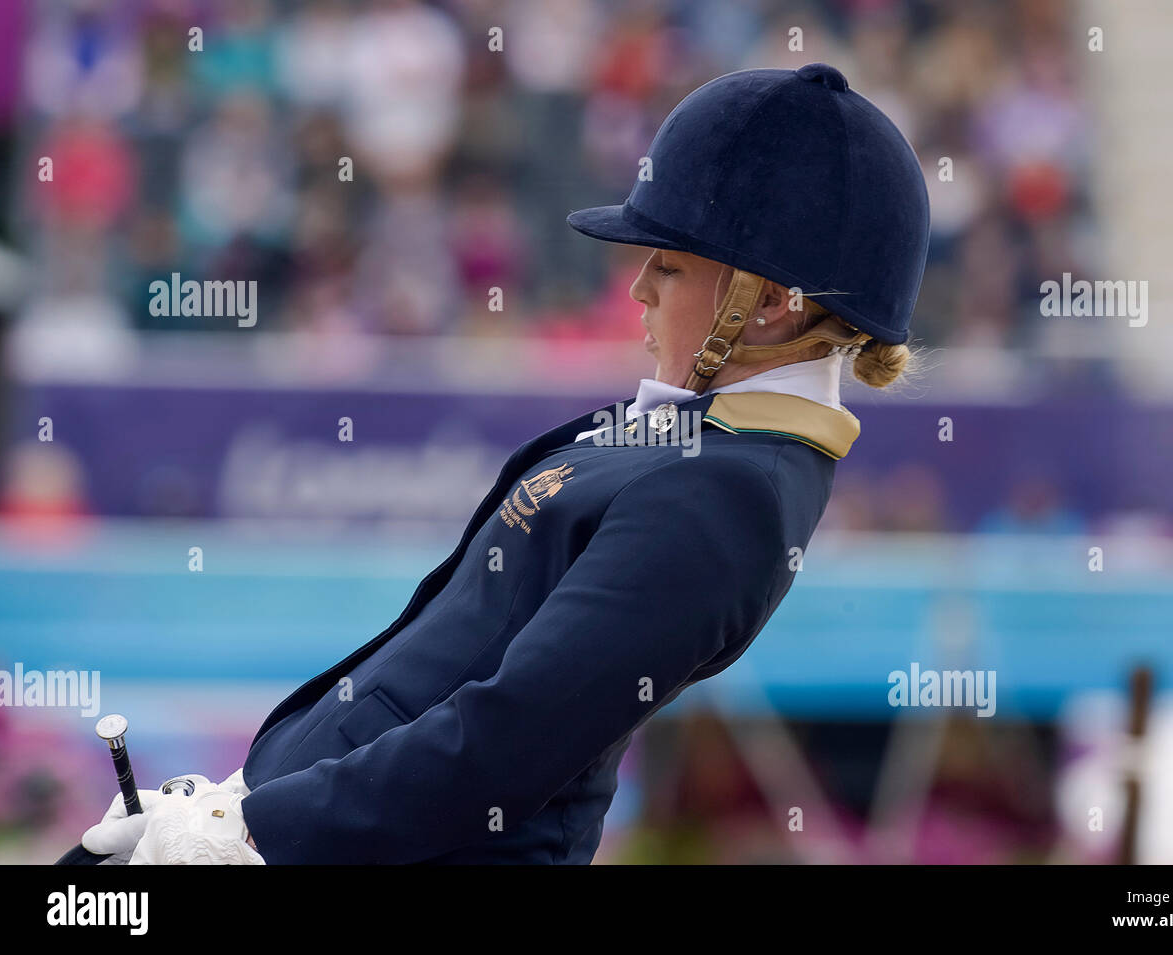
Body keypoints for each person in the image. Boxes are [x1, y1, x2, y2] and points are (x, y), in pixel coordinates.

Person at [81, 62, 929, 865]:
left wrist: (256, 835)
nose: (637, 291)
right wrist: (237, 802)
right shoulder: (698, 438)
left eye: (667, 268)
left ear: (772, 304)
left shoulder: (727, 492)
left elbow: (506, 738)